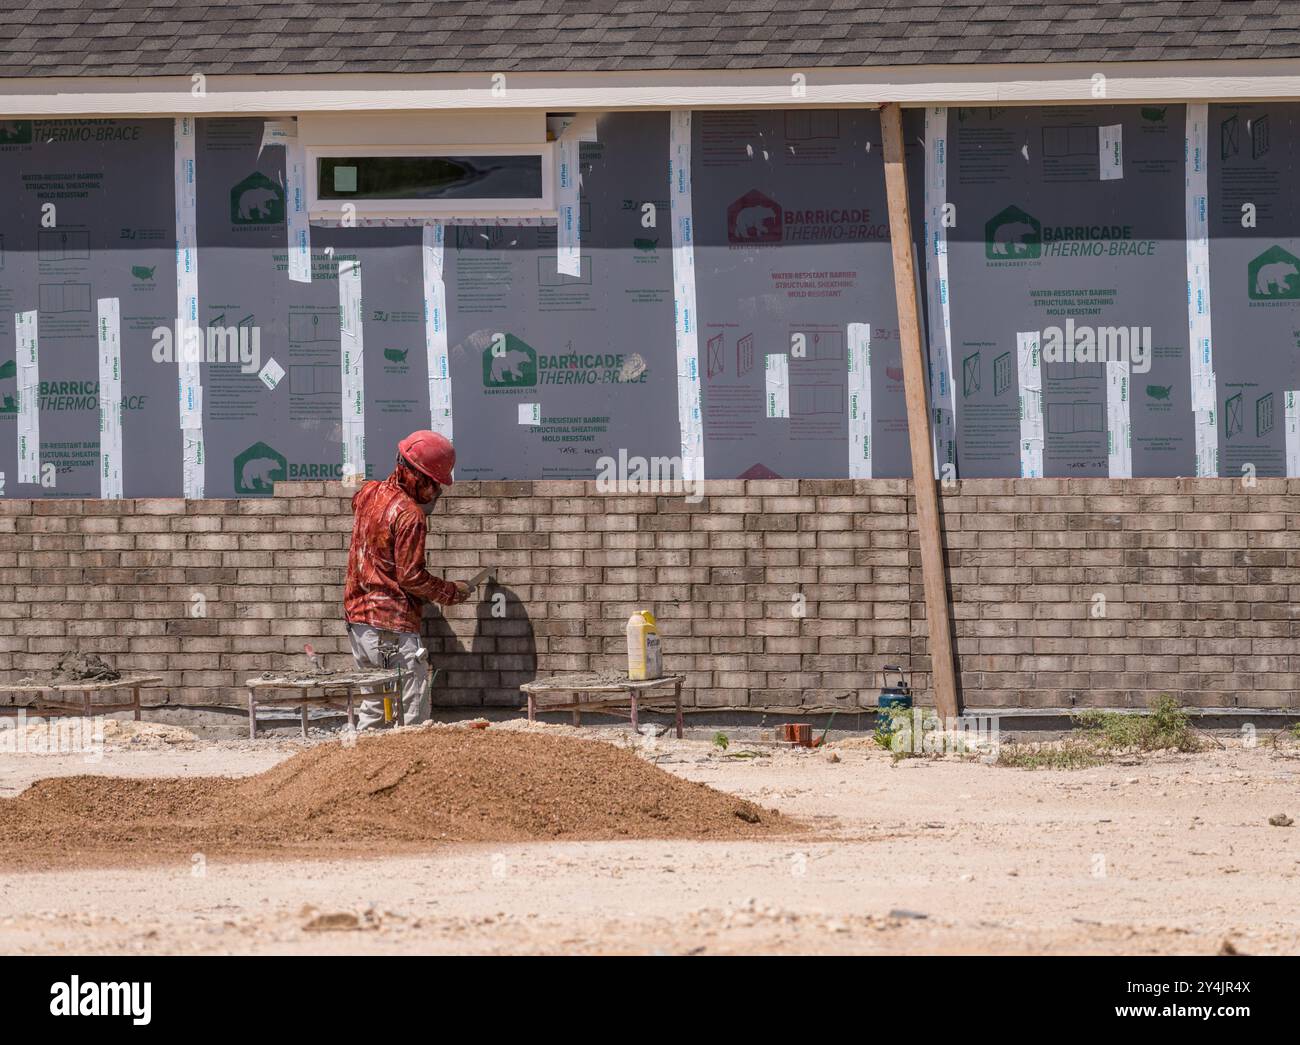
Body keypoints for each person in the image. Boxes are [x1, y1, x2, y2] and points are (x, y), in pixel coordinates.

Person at [344, 430, 469, 729]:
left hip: (358, 622)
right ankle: (409, 771)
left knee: (374, 707)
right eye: (435, 485)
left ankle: (365, 771)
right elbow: (411, 577)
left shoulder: (368, 493)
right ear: (418, 476)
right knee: (411, 713)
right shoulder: (410, 515)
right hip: (391, 627)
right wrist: (452, 592)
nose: (436, 492)